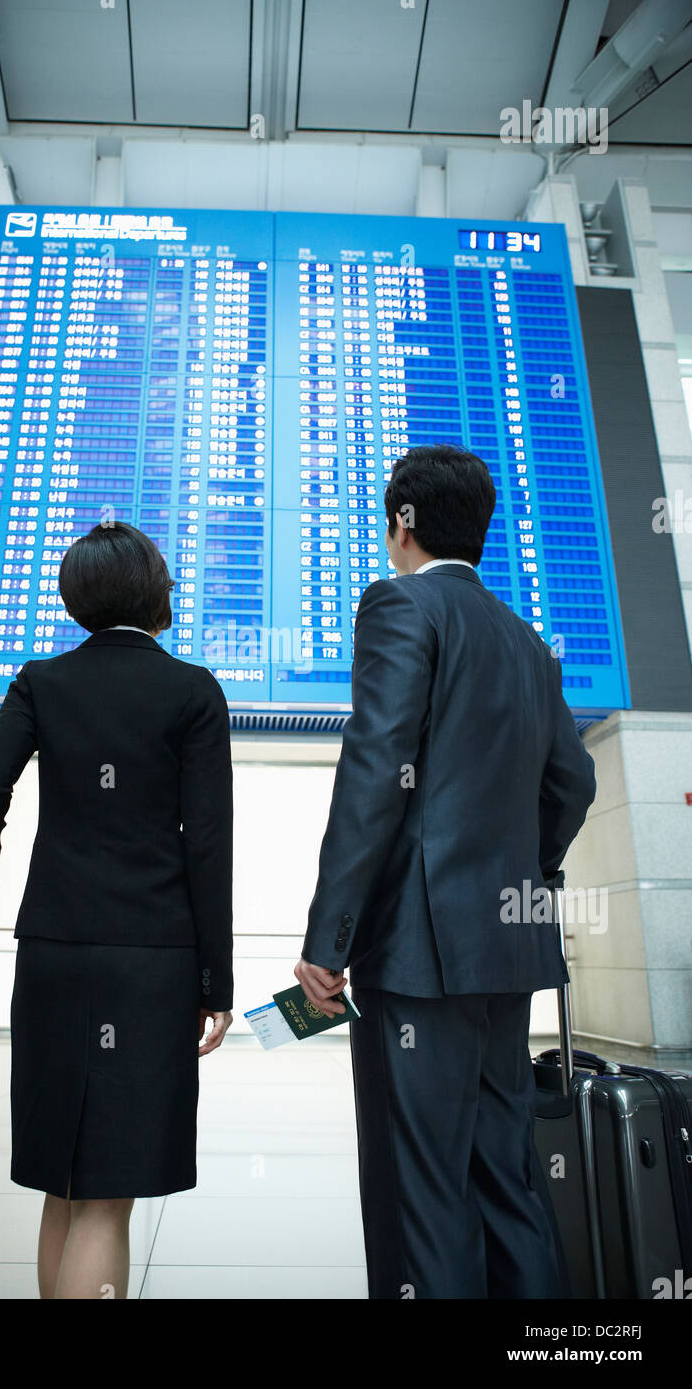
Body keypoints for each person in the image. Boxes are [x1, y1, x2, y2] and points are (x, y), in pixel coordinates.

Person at [294, 444, 596, 1299]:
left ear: (403, 524)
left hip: (420, 958)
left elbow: (374, 770)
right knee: (509, 1180)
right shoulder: (528, 643)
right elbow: (573, 781)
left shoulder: (400, 604)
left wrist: (330, 937)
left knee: (424, 1193)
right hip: (509, 951)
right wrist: (521, 875)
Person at [0, 521, 234, 1300]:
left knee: (63, 1183)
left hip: (54, 953)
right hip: (152, 961)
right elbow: (207, 844)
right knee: (109, 1195)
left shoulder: (41, 682)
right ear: (159, 593)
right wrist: (216, 982)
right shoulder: (193, 690)